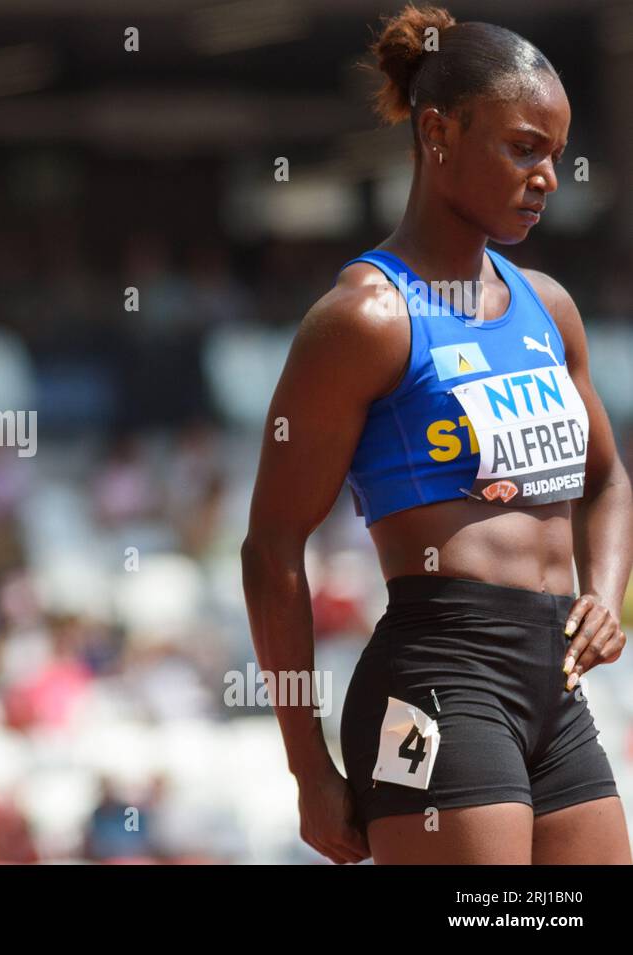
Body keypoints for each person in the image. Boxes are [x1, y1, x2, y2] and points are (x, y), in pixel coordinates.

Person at [243, 4, 632, 864]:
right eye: (524, 147)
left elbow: (607, 481)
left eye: (556, 156)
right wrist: (308, 767)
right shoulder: (366, 319)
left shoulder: (549, 307)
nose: (548, 178)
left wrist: (604, 593)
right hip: (439, 676)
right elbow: (270, 549)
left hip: (555, 687)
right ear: (438, 133)